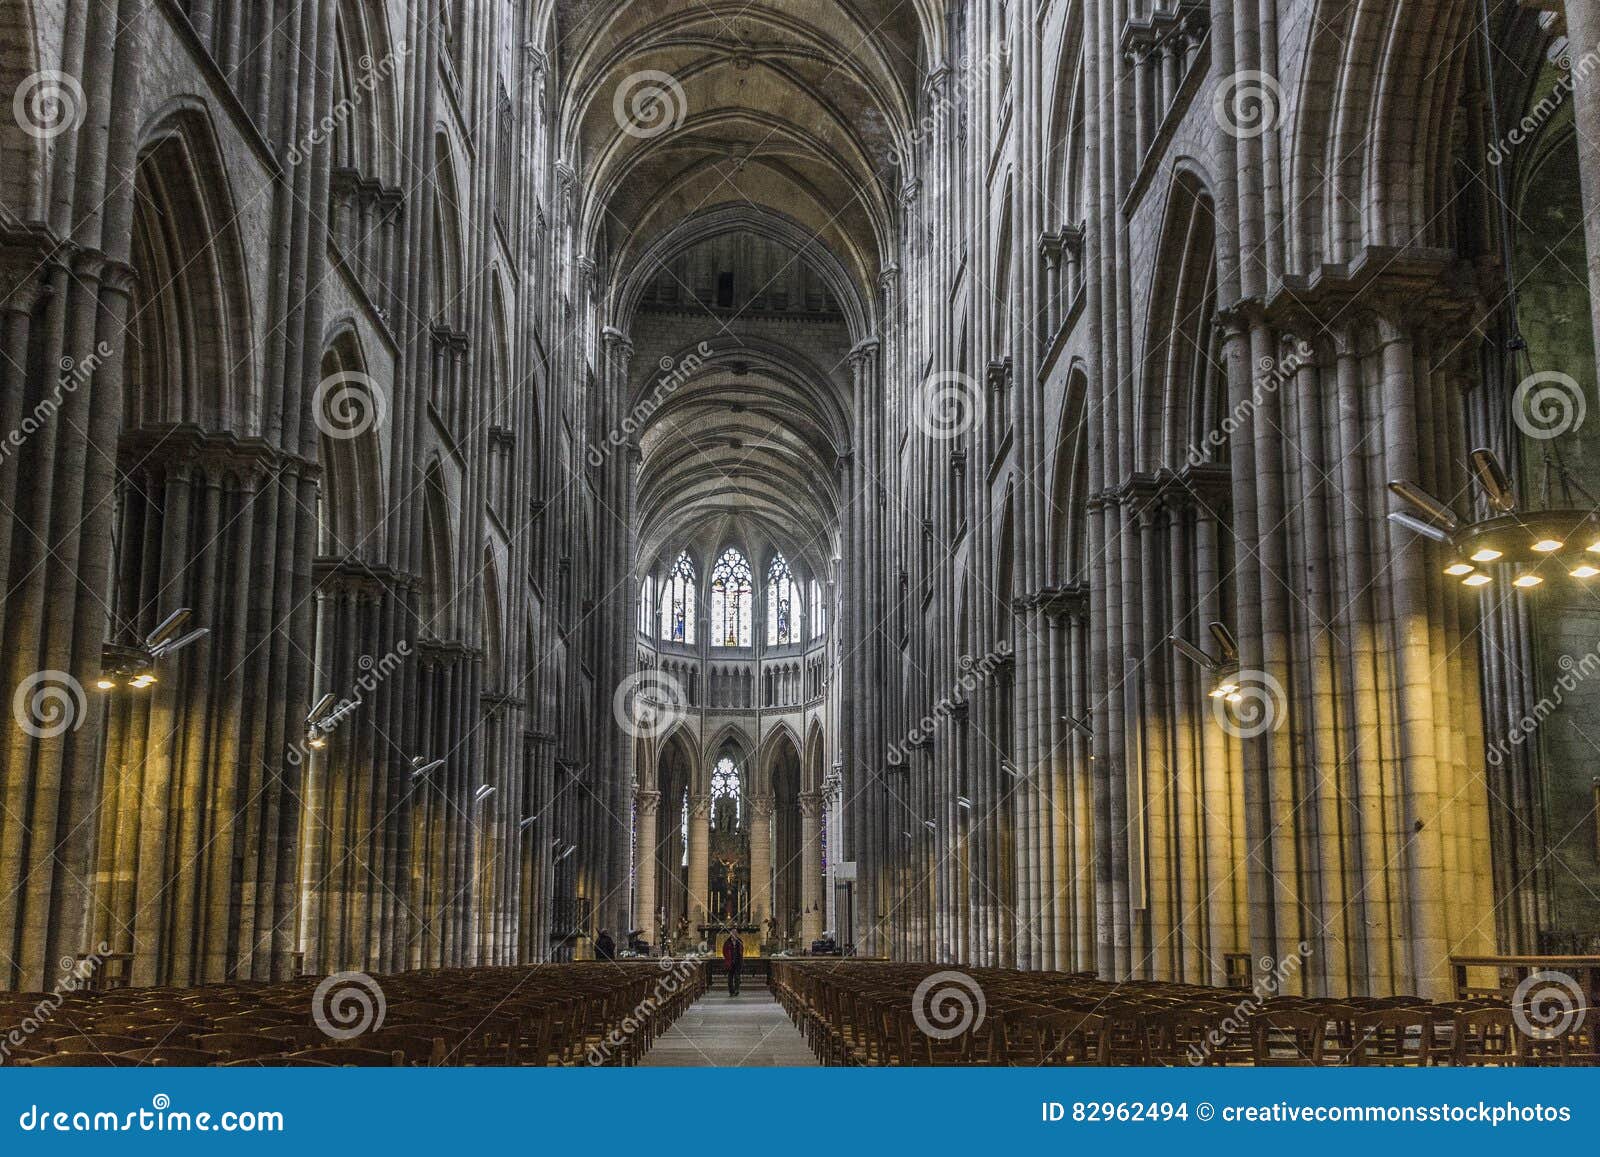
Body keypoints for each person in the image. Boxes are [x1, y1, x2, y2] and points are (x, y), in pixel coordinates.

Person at [722, 930, 745, 996]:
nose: (734, 935)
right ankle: (731, 991)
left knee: (737, 977)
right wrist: (727, 958)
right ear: (731, 934)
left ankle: (737, 990)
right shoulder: (727, 942)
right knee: (730, 978)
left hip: (738, 962)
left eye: (735, 934)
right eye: (733, 934)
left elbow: (742, 950)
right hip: (730, 962)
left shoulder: (739, 941)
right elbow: (724, 951)